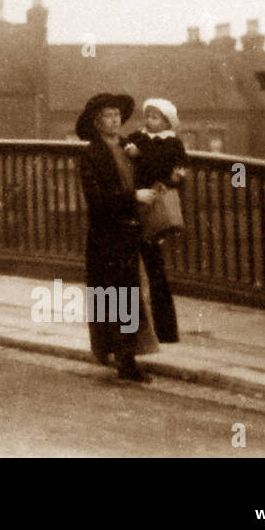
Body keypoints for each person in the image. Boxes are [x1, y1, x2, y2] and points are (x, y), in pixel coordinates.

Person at [75, 93, 176, 382]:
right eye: (108, 115)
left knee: (131, 294)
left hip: (133, 231)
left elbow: (149, 169)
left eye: (118, 114)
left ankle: (126, 355)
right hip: (108, 234)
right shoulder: (91, 155)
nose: (115, 119)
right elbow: (96, 199)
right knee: (117, 296)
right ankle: (125, 360)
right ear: (96, 122)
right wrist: (133, 197)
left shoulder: (127, 147)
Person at [122, 98, 182, 341]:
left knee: (155, 268)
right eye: (147, 116)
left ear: (167, 121)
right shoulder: (138, 137)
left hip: (155, 207)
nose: (149, 121)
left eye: (155, 117)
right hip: (136, 204)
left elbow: (170, 169)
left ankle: (166, 331)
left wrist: (177, 176)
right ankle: (137, 330)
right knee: (136, 268)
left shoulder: (172, 143)